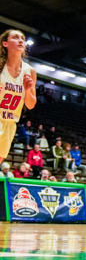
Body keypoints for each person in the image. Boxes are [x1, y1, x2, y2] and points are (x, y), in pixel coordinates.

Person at [0, 29, 36, 168]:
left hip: (10, 123)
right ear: (5, 43)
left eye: (23, 38)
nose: (21, 40)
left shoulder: (30, 71)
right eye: (15, 38)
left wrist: (27, 90)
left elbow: (31, 104)